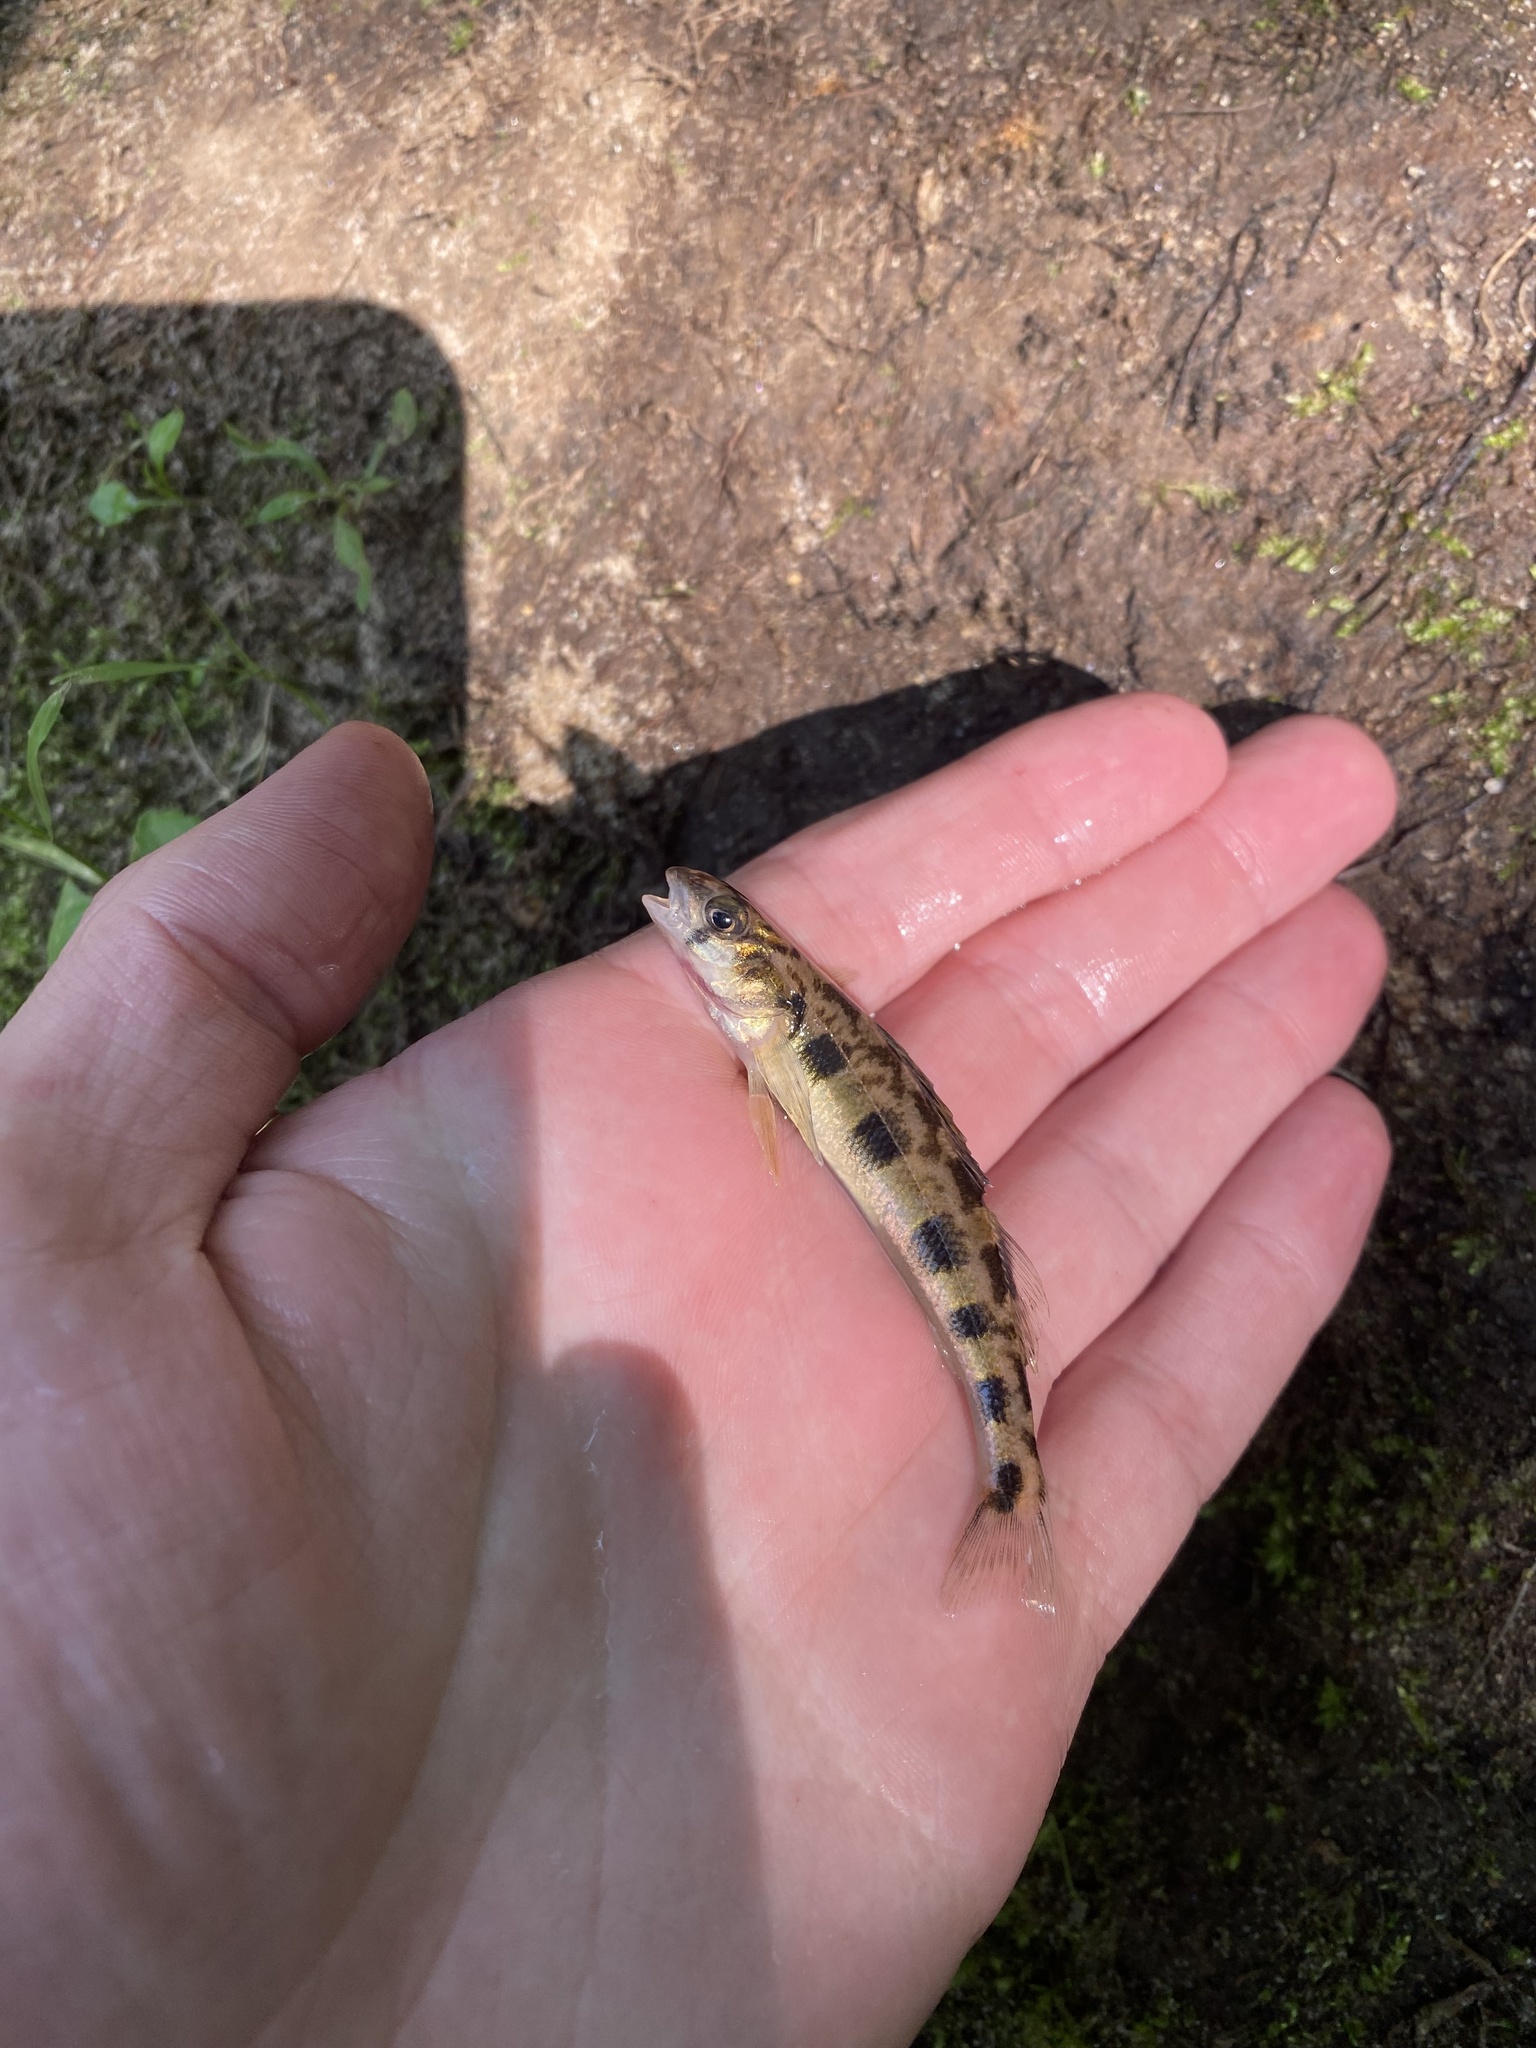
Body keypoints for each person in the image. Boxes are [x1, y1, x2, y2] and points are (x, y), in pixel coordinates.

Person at [0, 691, 1395, 2047]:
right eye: (715, 923)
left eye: (718, 929)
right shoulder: (774, 1019)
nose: (690, 920)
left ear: (767, 982)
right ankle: (1008, 1466)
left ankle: (1009, 1469)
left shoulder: (784, 1025)